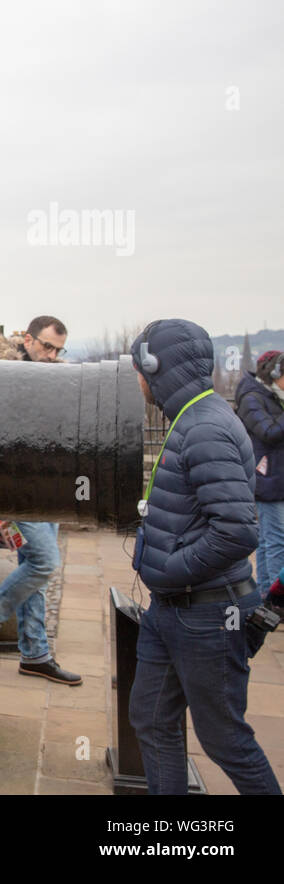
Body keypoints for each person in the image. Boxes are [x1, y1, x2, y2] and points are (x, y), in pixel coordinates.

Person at [128, 319, 279, 794]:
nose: (135, 380)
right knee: (152, 720)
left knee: (224, 739)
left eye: (138, 368)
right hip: (173, 609)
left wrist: (169, 570)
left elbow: (237, 532)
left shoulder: (207, 427)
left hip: (209, 613)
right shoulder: (191, 420)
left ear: (157, 369)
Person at [0, 315, 82, 685]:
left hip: (45, 490)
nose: (52, 355)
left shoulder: (52, 379)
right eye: (47, 346)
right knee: (45, 563)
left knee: (34, 567)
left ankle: (35, 654)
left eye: (58, 350)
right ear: (29, 340)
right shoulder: (3, 374)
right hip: (14, 495)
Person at [236, 350, 284, 599]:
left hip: (276, 477)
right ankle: (277, 601)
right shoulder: (252, 397)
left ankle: (267, 597)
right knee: (276, 541)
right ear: (273, 374)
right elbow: (270, 432)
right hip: (267, 479)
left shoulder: (272, 396)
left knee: (269, 540)